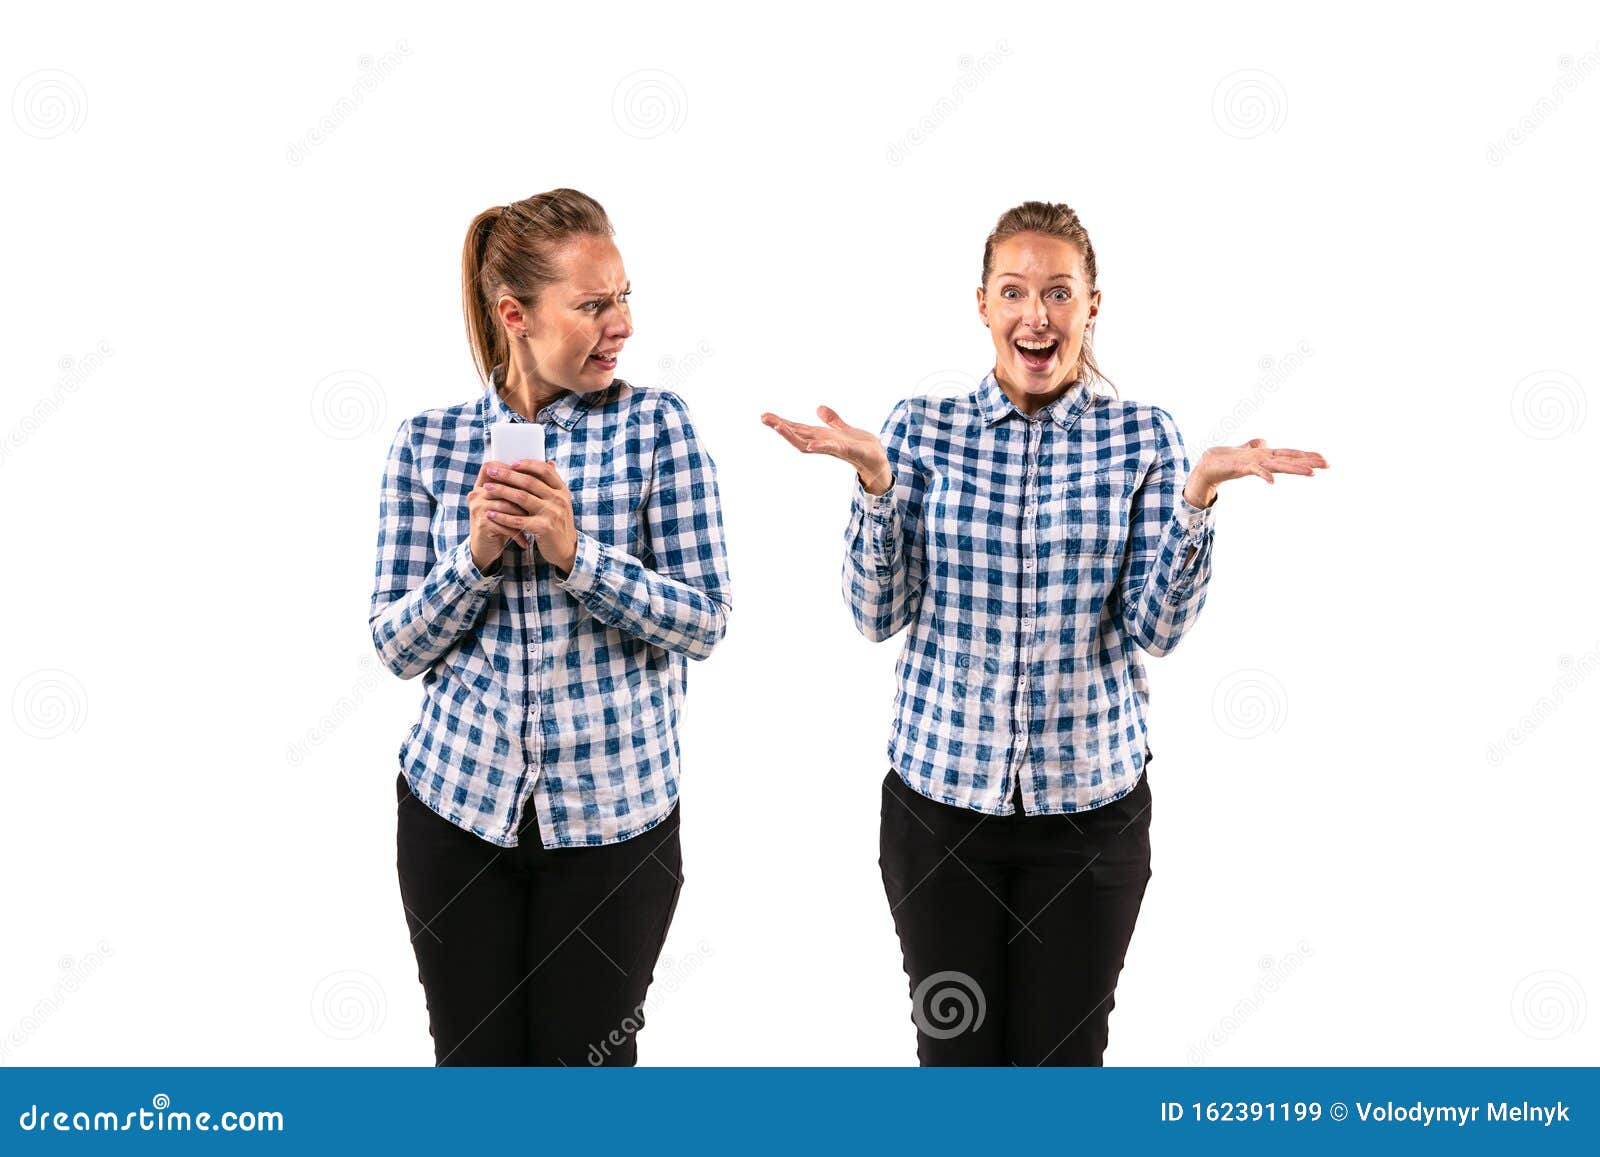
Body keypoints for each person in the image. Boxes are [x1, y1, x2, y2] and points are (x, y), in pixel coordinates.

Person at [761, 200, 1326, 1066]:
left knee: (1064, 1070)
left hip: (1089, 821)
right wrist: (875, 483)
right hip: (940, 813)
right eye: (1015, 291)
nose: (1037, 315)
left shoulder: (1143, 437)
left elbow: (1157, 630)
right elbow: (876, 617)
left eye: (1059, 293)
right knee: (957, 1064)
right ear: (982, 305)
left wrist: (1198, 497)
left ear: (1092, 305)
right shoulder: (918, 430)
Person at [370, 187, 732, 1065]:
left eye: (624, 297)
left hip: (614, 834)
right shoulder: (429, 443)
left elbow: (705, 620)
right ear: (515, 315)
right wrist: (477, 555)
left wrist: (577, 555)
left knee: (587, 1084)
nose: (623, 325)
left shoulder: (659, 429)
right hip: (457, 822)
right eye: (593, 305)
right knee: (477, 1076)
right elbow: (394, 643)